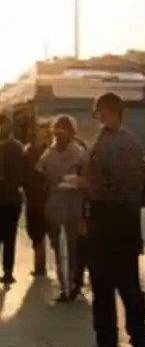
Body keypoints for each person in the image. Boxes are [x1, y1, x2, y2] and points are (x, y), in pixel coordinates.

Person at [79, 92, 145, 347]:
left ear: (107, 113)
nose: (98, 119)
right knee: (130, 287)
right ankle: (141, 345)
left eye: (99, 113)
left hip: (104, 223)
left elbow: (97, 186)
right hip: (128, 223)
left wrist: (81, 184)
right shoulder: (135, 144)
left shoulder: (102, 145)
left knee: (102, 287)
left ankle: (107, 345)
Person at [38, 116, 88, 302]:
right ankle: (64, 285)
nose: (59, 135)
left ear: (71, 133)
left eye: (63, 131)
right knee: (58, 248)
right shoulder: (48, 154)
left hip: (75, 205)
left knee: (75, 248)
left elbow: (88, 178)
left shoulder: (79, 153)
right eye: (56, 131)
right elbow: (40, 175)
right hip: (55, 206)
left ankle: (75, 284)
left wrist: (79, 184)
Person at [0, 115, 26, 286]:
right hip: (12, 198)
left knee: (9, 236)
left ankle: (8, 271)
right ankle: (8, 271)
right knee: (10, 236)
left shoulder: (15, 147)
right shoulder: (17, 147)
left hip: (9, 199)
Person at [23, 123, 50, 278]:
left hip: (42, 198)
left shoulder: (46, 152)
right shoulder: (28, 152)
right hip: (33, 198)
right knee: (35, 233)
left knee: (40, 233)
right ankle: (40, 265)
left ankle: (40, 267)